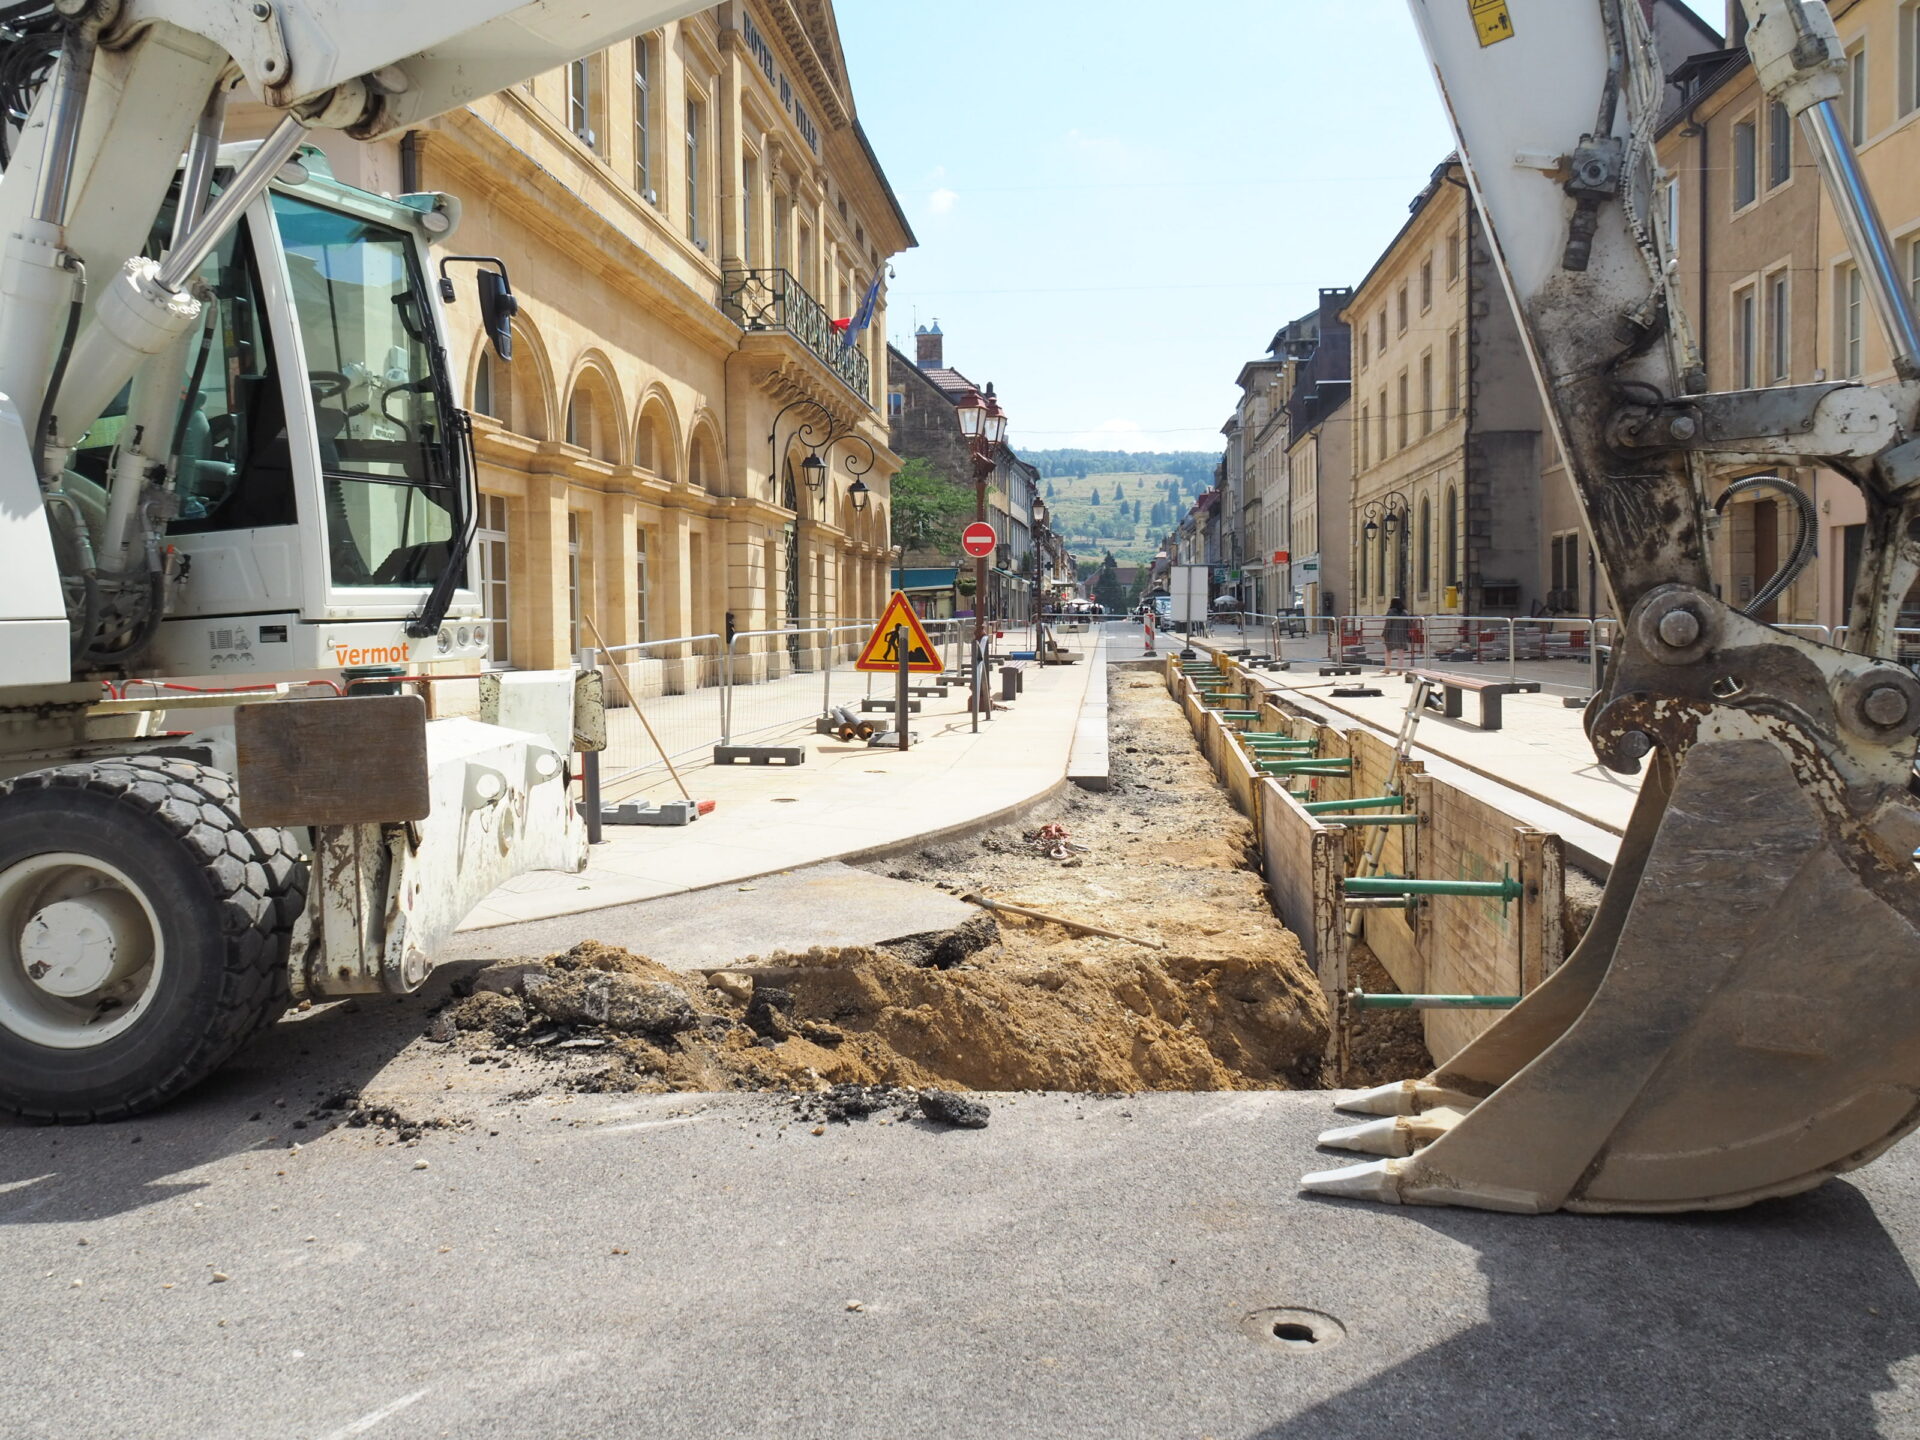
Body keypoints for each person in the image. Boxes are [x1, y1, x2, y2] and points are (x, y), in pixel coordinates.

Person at [1382, 598, 1413, 671]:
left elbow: (1388, 624)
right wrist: (1407, 634)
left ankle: (1387, 668)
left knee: (1388, 651)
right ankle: (1400, 669)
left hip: (1392, 634)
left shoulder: (1390, 612)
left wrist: (1384, 634)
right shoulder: (1405, 612)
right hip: (1402, 634)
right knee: (1400, 652)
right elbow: (1408, 624)